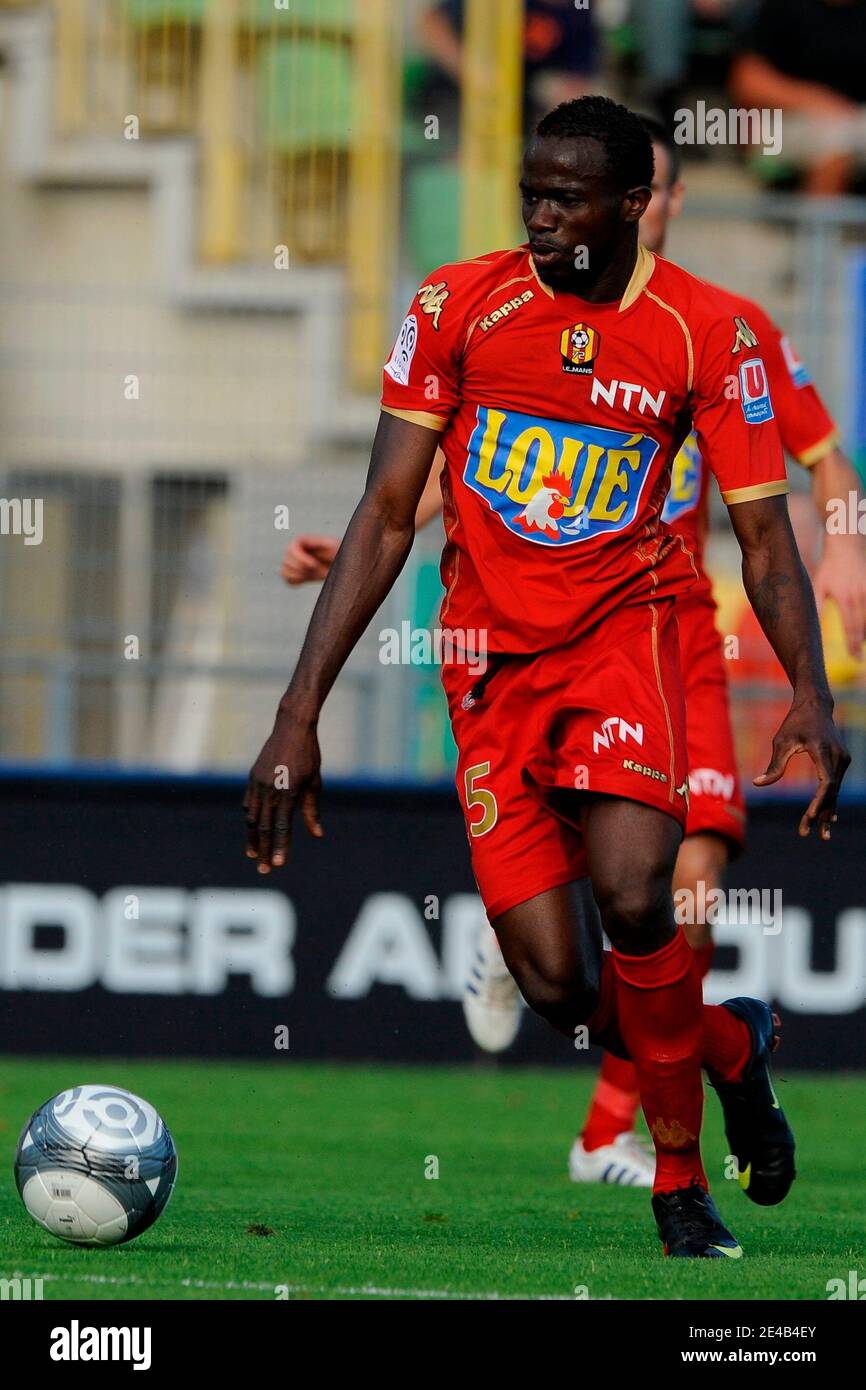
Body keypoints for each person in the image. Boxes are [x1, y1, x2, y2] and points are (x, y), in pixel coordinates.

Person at [245, 96, 849, 1258]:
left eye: (565, 197)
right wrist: (296, 710)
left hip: (630, 643)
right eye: (529, 192)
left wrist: (810, 695)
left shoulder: (705, 332)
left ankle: (678, 1188)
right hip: (487, 672)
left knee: (638, 897)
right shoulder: (455, 302)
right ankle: (730, 1049)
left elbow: (763, 538)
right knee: (560, 990)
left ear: (634, 206)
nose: (539, 215)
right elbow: (384, 512)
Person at [730, 0, 866, 195]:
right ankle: (818, 224)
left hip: (856, 118)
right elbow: (747, 81)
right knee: (836, 137)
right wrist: (812, 100)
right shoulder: (785, 7)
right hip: (784, 124)